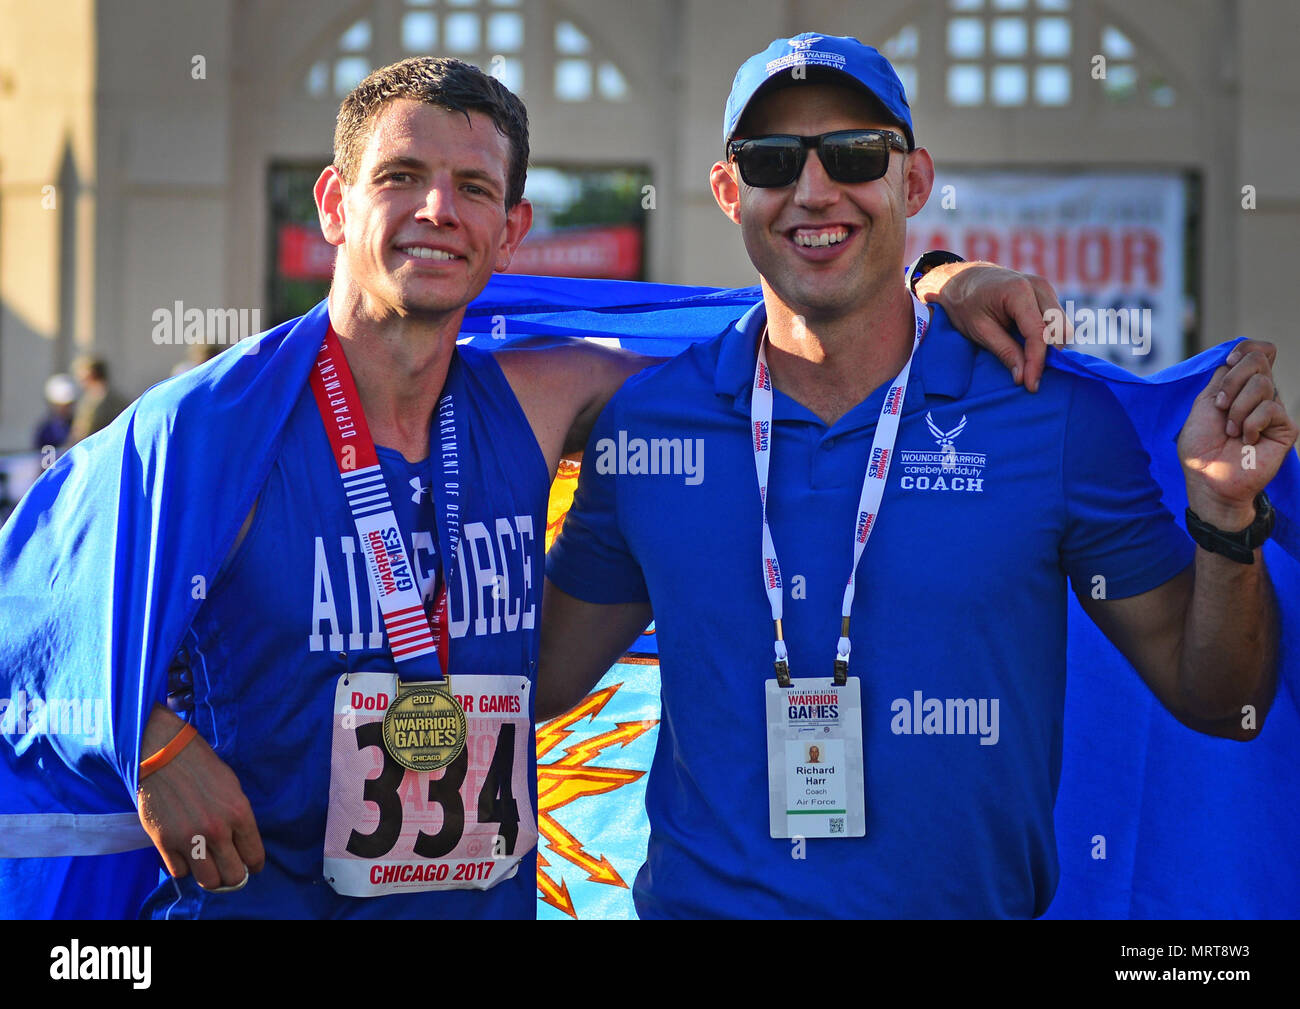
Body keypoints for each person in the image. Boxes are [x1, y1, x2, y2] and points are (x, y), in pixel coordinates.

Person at [0, 55, 1057, 920]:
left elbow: (806, 357)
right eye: (399, 177)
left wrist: (933, 277)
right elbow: (22, 627)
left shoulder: (550, 399)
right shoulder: (208, 429)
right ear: (334, 201)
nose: (434, 210)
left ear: (511, 230)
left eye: (472, 189)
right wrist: (149, 743)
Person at [539, 34, 1297, 918]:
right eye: (773, 160)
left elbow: (1219, 699)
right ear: (727, 190)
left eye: (855, 154)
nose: (813, 190)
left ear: (914, 179)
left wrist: (1223, 514)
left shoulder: (1048, 418)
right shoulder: (650, 428)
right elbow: (542, 677)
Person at [66, 356, 129, 446]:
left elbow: (82, 435)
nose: (77, 378)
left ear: (90, 374)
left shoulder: (94, 401)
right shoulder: (116, 398)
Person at [32, 374, 77, 452]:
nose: (65, 409)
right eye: (61, 405)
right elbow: (45, 459)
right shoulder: (47, 430)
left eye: (68, 405)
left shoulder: (77, 424)